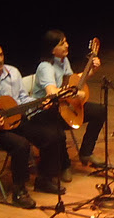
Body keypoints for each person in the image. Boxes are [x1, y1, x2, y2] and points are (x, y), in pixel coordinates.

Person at [0, 42, 67, 208]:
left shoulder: (13, 73)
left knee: (53, 135)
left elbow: (22, 99)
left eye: (1, 54)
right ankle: (19, 191)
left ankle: (45, 179)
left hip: (14, 120)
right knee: (21, 145)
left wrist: (39, 104)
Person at [31, 30, 108, 179]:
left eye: (66, 41)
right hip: (45, 111)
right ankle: (64, 165)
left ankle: (86, 152)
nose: (67, 45)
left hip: (64, 105)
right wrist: (74, 94)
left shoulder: (63, 61)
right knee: (58, 125)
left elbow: (73, 81)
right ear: (52, 50)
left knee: (99, 111)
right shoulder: (45, 67)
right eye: (62, 44)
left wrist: (91, 70)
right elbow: (52, 93)